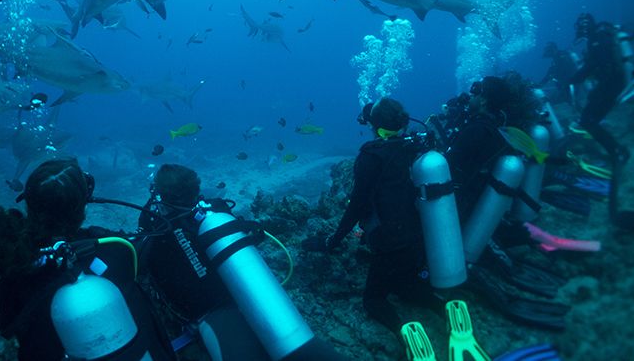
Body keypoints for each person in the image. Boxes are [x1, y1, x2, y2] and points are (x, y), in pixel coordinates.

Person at [0, 158, 176, 361]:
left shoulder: (12, 267)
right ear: (83, 209)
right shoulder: (115, 246)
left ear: (29, 203)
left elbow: (7, 325)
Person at [302, 97, 443, 336]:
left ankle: (406, 335)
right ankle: (445, 310)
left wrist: (332, 242)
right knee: (407, 289)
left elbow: (357, 205)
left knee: (373, 300)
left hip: (390, 243)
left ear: (374, 126)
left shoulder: (371, 156)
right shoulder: (413, 147)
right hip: (419, 238)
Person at [137, 164, 271, 361]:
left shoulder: (157, 229)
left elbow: (139, 267)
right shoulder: (217, 211)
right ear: (196, 189)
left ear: (160, 195)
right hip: (252, 294)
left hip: (209, 317)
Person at [445, 73, 541, 222]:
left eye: (475, 91)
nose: (470, 95)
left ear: (483, 100)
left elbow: (449, 165)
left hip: (458, 206)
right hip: (475, 200)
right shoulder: (495, 125)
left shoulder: (476, 130)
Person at [571, 12, 631, 164]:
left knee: (587, 120)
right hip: (614, 82)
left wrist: (575, 79)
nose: (578, 29)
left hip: (612, 84)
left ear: (585, 25)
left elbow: (597, 65)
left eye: (580, 25)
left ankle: (617, 152)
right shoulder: (600, 34)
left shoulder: (597, 38)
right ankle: (616, 151)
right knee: (590, 117)